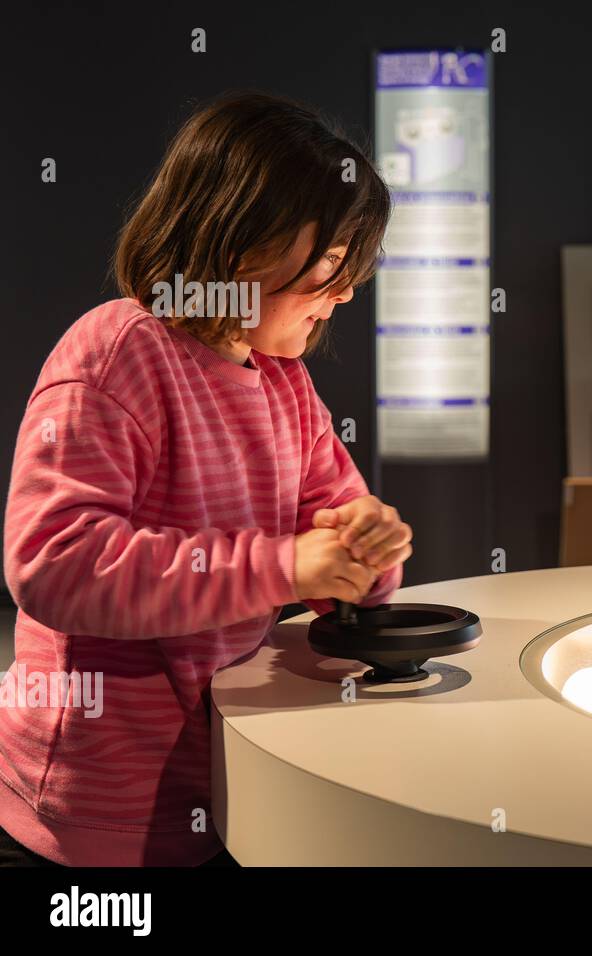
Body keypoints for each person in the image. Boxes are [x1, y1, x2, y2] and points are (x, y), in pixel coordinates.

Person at [0, 91, 411, 865]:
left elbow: (342, 544)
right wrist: (284, 565)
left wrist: (367, 548)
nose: (346, 292)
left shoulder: (284, 381)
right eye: (328, 266)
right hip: (92, 816)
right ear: (236, 249)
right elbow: (54, 564)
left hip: (223, 779)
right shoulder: (116, 353)